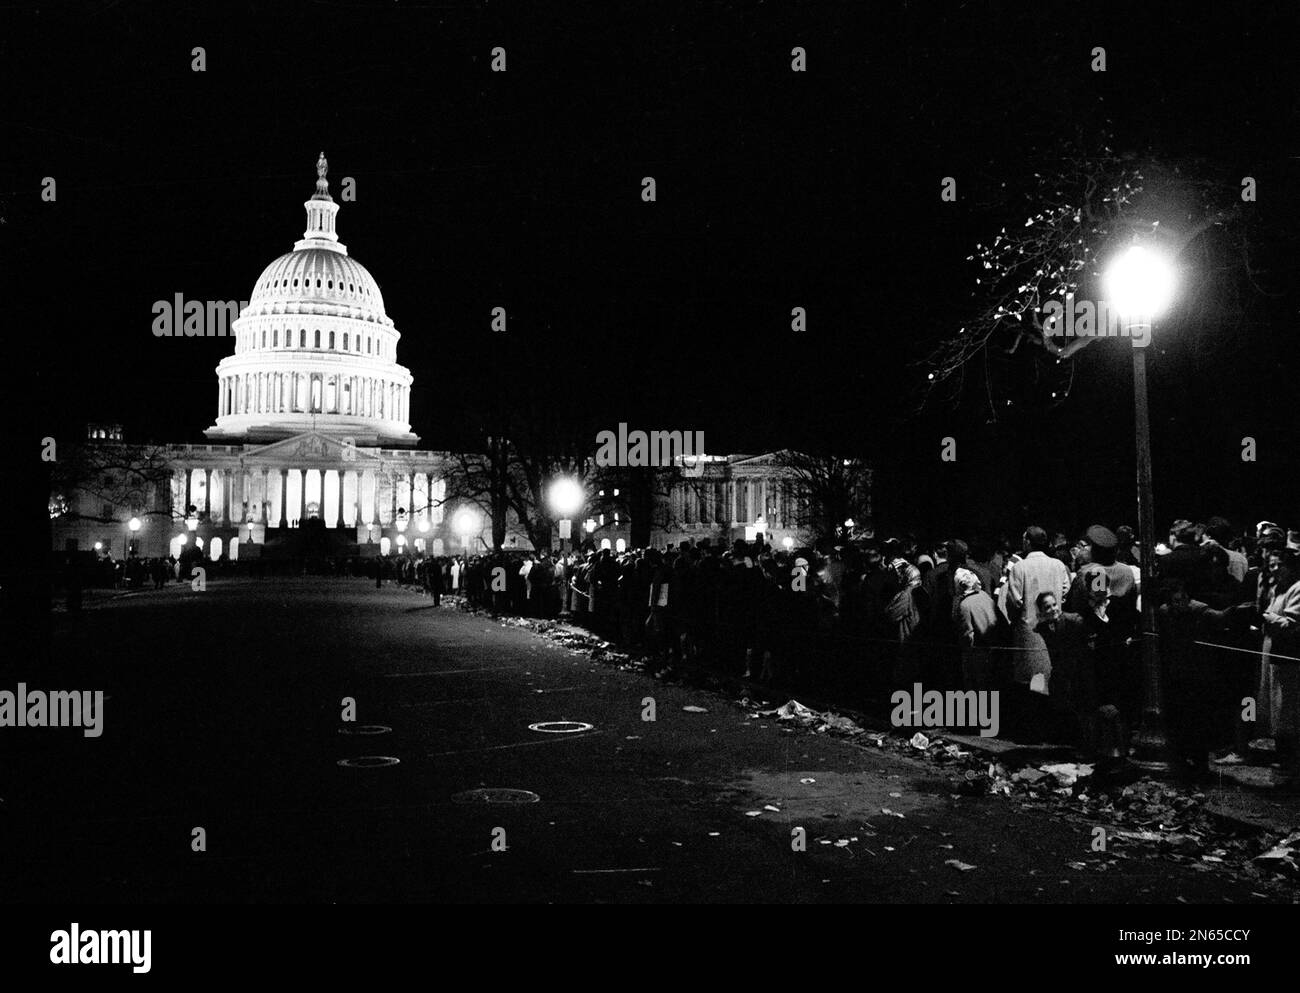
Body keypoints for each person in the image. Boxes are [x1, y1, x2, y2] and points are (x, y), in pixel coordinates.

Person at [1003, 526, 1071, 696]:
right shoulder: (1058, 565)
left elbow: (1014, 603)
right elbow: (1065, 592)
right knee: (1053, 680)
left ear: (1027, 542)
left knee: (1034, 684)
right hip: (1056, 632)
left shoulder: (1020, 568)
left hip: (1030, 635)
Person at [952, 567, 997, 691]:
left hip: (978, 654)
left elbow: (968, 635)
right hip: (993, 648)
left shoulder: (964, 605)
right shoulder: (984, 595)